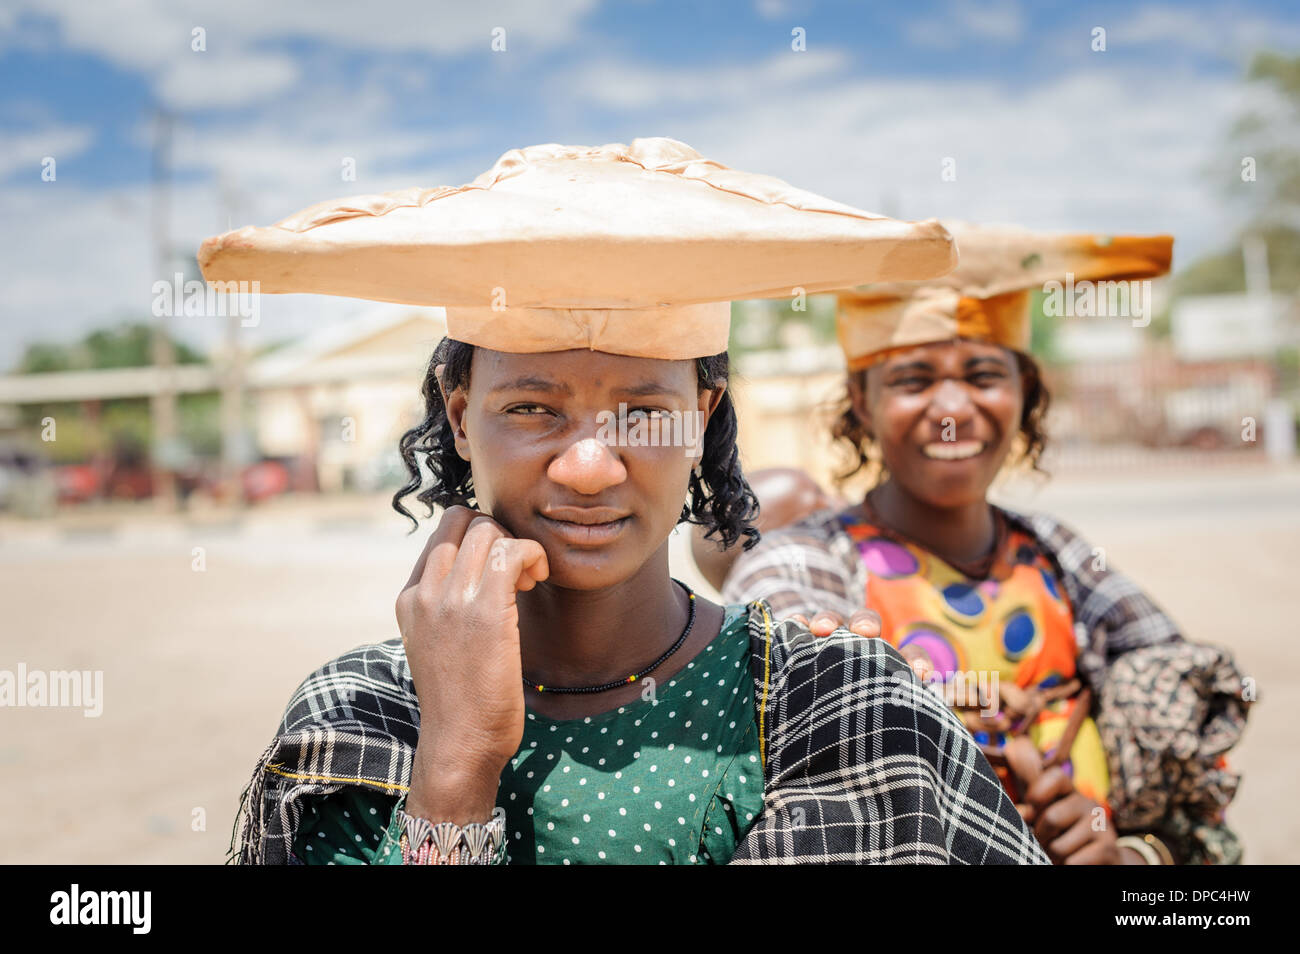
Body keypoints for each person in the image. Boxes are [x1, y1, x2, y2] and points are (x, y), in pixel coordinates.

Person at [202, 139, 1049, 865]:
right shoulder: (364, 715)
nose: (588, 467)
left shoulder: (833, 700)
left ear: (700, 419)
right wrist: (455, 765)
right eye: (532, 408)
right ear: (461, 419)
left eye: (643, 413)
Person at [718, 223, 1252, 865]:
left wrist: (1134, 855)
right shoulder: (803, 559)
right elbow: (800, 686)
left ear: (1025, 391)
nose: (952, 408)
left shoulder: (1057, 554)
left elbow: (1193, 748)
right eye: (914, 379)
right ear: (860, 400)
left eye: (983, 374)